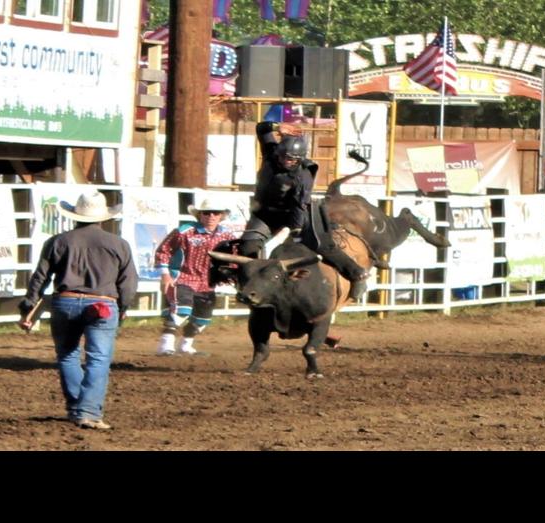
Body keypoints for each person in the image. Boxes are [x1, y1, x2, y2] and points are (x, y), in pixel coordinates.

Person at [18, 190, 136, 431]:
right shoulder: (118, 244)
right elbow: (129, 281)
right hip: (102, 304)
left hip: (65, 301)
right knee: (99, 358)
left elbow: (40, 278)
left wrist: (28, 306)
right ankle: (88, 411)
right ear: (103, 218)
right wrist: (123, 305)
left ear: (75, 216)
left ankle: (76, 407)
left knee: (68, 355)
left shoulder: (58, 241)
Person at [241, 120, 369, 282]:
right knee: (247, 248)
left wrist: (296, 231)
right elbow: (261, 128)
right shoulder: (270, 153)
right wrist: (275, 126)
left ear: (299, 159)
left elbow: (299, 204)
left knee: (319, 243)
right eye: (284, 157)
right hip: (265, 213)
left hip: (296, 211)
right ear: (278, 153)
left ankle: (354, 270)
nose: (286, 161)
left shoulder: (303, 175)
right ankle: (256, 282)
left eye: (292, 159)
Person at [152, 194, 236, 356]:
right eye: (207, 212)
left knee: (202, 318)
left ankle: (185, 345)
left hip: (207, 283)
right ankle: (165, 345)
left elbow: (233, 258)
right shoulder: (184, 232)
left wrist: (229, 274)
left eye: (215, 213)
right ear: (200, 215)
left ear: (221, 216)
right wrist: (165, 274)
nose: (211, 216)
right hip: (183, 277)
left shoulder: (227, 236)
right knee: (181, 310)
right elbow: (164, 251)